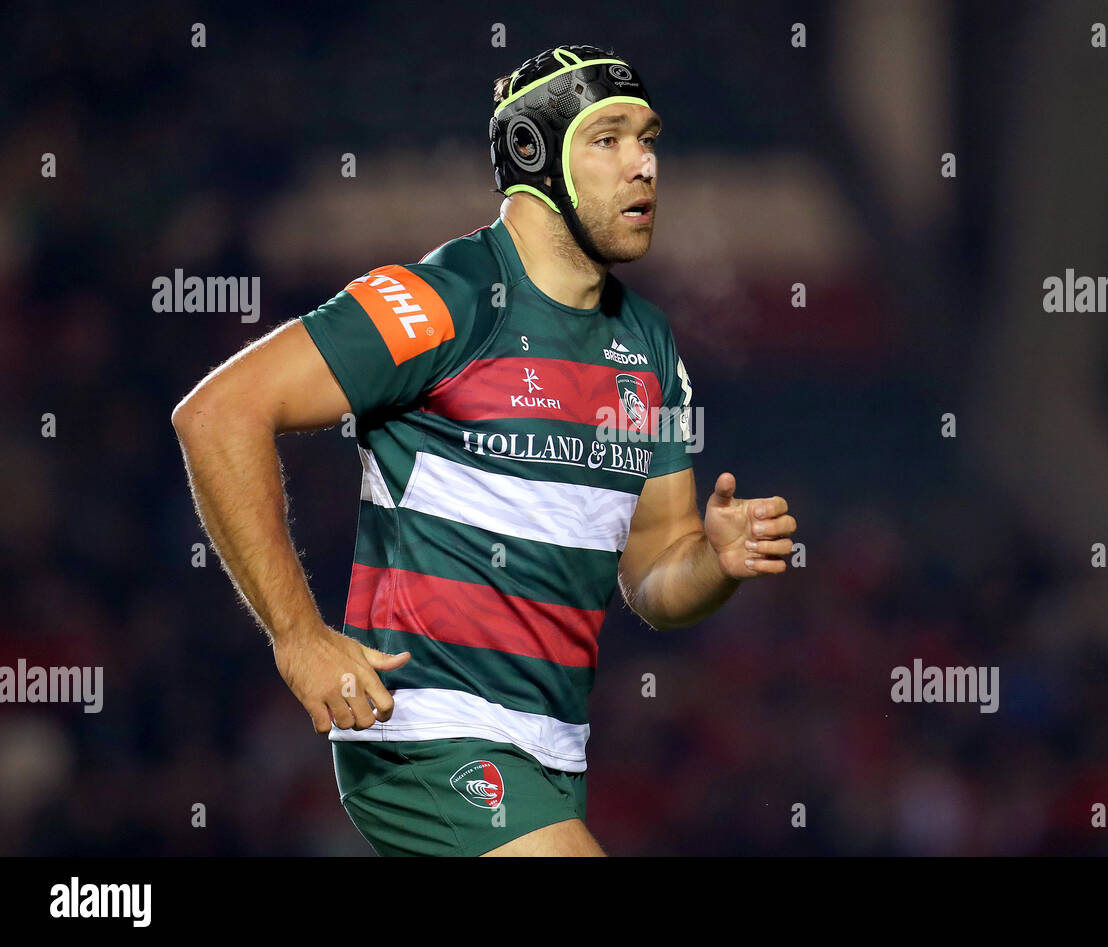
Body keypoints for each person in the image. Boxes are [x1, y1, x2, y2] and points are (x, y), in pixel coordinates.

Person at [171, 44, 798, 856]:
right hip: (424, 736)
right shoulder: (445, 300)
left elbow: (653, 576)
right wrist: (298, 634)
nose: (644, 164)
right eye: (609, 139)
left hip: (550, 756)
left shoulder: (648, 345)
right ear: (534, 156)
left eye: (650, 139)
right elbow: (219, 412)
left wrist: (711, 561)